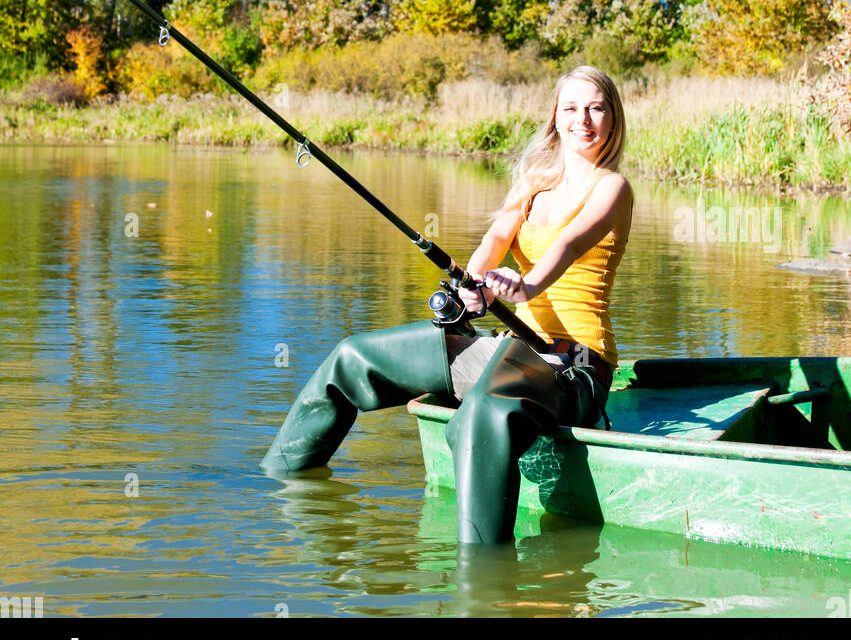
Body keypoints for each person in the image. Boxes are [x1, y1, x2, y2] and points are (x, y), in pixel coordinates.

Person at [261, 64, 633, 544]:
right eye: (571, 108)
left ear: (612, 119)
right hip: (511, 353)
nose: (583, 119)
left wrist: (526, 286)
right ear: (555, 118)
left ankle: (481, 580)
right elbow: (493, 242)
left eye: (596, 108)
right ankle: (278, 490)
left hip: (576, 368)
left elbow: (567, 247)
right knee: (351, 358)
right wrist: (474, 285)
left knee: (483, 411)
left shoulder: (612, 188)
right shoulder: (532, 186)